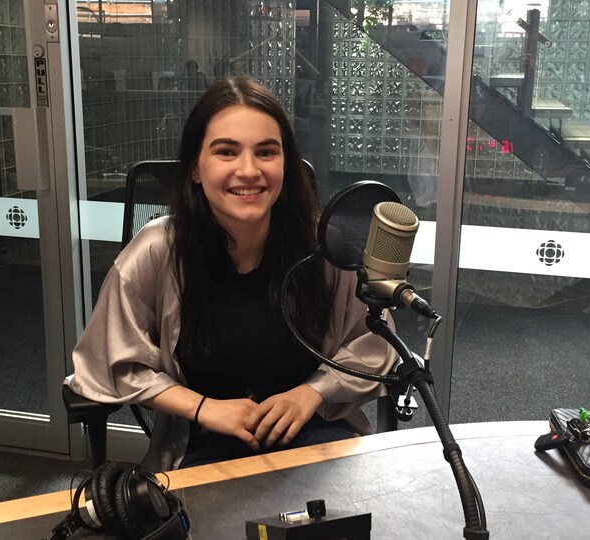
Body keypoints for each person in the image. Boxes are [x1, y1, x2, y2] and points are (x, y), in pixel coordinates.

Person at [67, 77, 398, 471]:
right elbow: (107, 362)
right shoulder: (157, 251)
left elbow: (376, 342)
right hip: (204, 441)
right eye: (226, 151)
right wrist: (203, 407)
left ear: (286, 165)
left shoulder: (323, 247)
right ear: (195, 168)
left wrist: (311, 393)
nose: (249, 170)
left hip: (314, 430)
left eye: (266, 152)